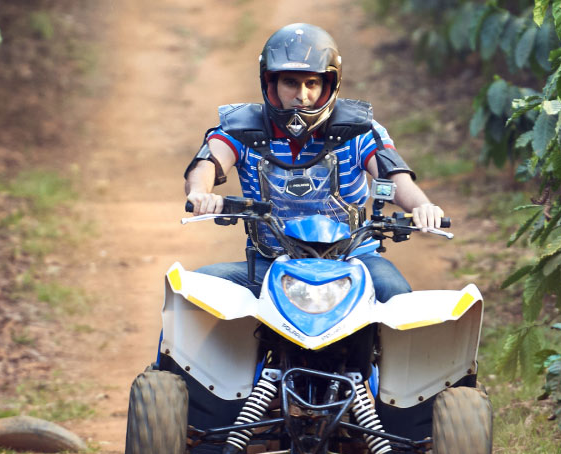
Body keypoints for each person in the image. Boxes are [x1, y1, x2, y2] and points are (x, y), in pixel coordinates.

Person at [183, 23, 446, 301]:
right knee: (193, 291)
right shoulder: (240, 129)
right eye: (290, 83)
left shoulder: (360, 131)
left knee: (395, 295)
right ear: (270, 83)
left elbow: (395, 176)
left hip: (353, 262)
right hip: (270, 264)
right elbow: (209, 162)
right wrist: (200, 193)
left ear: (328, 84)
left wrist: (422, 207)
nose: (302, 95)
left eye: (312, 83)